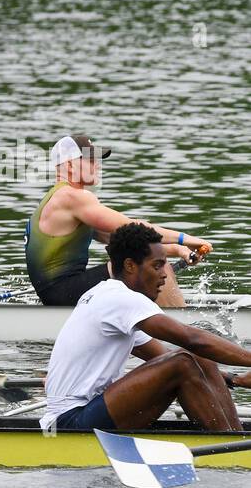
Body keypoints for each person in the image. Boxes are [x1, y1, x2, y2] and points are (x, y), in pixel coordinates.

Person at [41, 223, 251, 434]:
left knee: (196, 358)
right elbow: (191, 339)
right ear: (131, 265)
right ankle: (230, 450)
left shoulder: (109, 297)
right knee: (182, 364)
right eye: (157, 266)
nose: (165, 276)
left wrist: (234, 379)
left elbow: (177, 354)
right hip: (68, 423)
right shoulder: (119, 298)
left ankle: (236, 436)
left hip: (87, 412)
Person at [26, 134, 211, 306]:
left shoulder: (59, 198)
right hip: (62, 292)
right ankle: (183, 329)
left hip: (61, 290)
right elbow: (134, 228)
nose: (97, 165)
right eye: (91, 160)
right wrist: (185, 238)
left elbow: (124, 242)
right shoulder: (71, 197)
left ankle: (164, 321)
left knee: (145, 260)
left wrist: (178, 250)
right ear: (69, 166)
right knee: (150, 267)